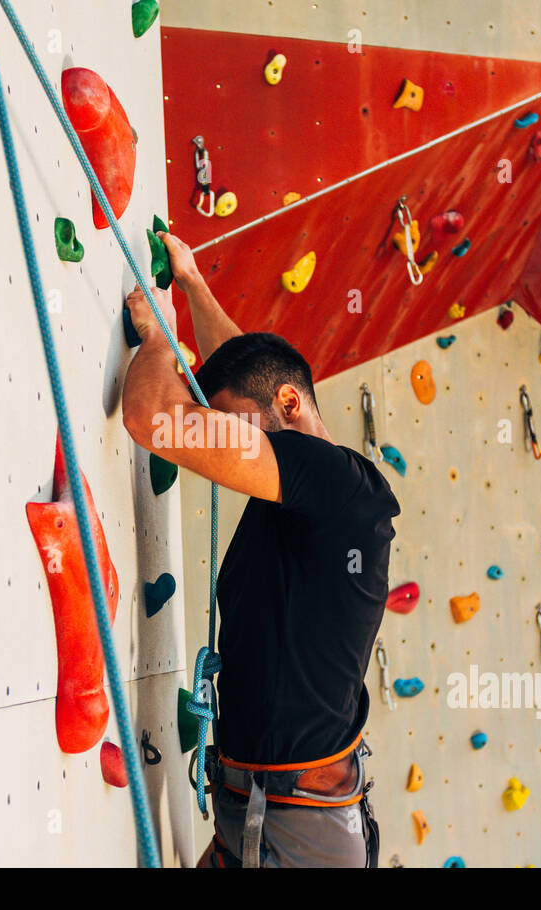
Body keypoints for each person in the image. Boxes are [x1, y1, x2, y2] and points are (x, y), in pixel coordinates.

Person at [121, 231, 400, 868]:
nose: (218, 442)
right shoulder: (310, 483)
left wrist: (163, 338)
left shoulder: (335, 483)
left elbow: (148, 419)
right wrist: (192, 283)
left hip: (297, 830)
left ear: (291, 406)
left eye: (229, 426)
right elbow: (248, 380)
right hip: (271, 811)